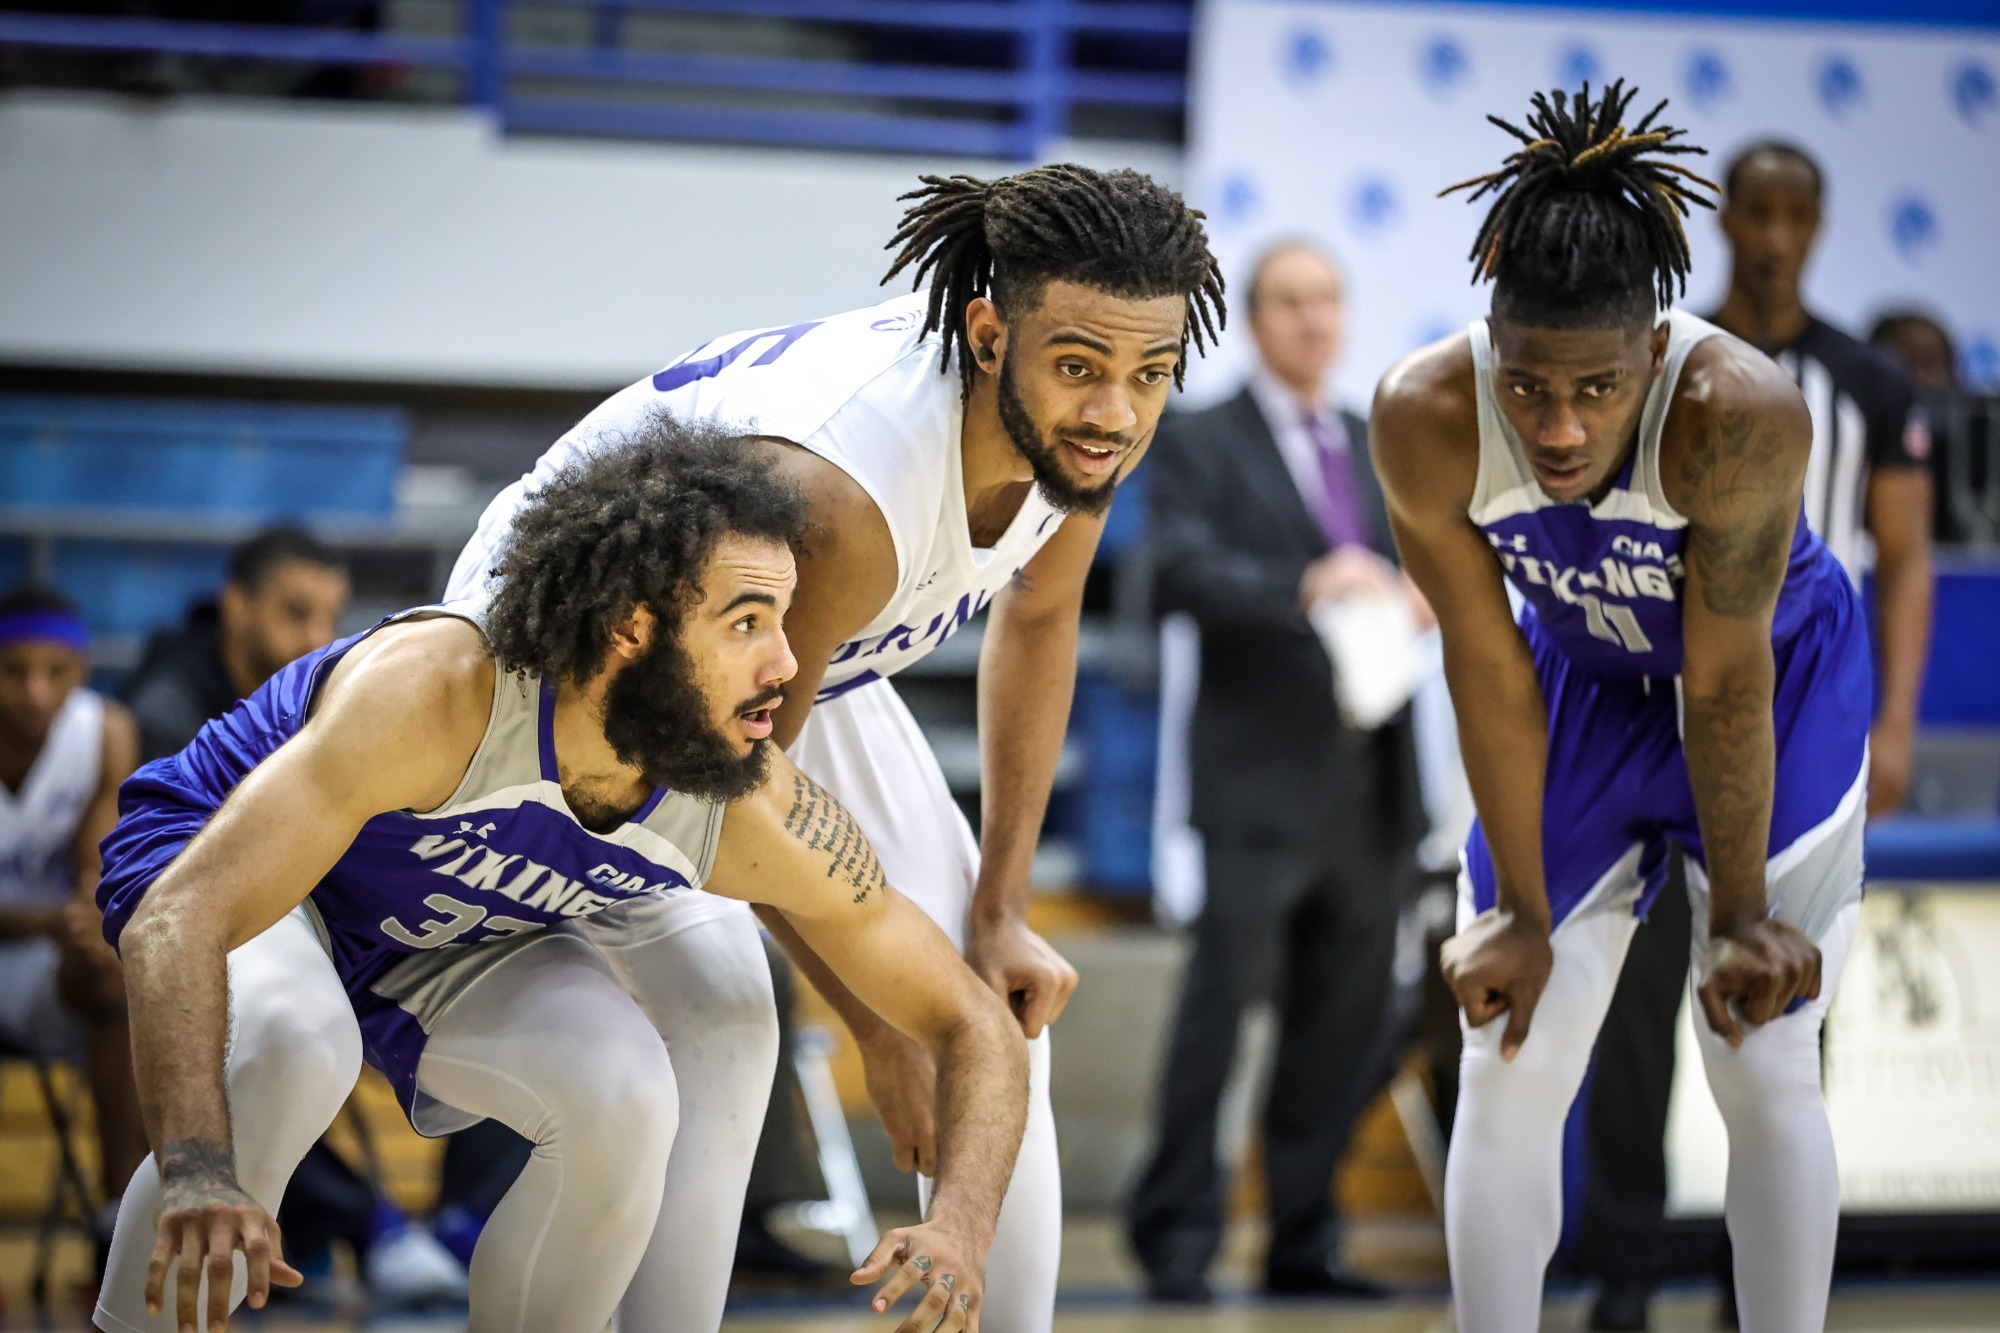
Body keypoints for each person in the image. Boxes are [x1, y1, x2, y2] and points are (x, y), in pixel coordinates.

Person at [446, 162, 1226, 1333]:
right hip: (595, 666)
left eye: (1149, 374)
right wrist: (871, 1026)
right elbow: (733, 791)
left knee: (995, 1009)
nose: (1115, 410)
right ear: (988, 336)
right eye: (1079, 367)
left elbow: (1040, 614)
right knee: (725, 1024)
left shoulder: (1089, 420)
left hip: (792, 661)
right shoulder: (844, 495)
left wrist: (1001, 906)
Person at [90, 418, 1028, 1333]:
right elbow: (180, 918)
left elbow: (975, 1021)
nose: (786, 661)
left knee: (625, 1092)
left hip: (432, 930)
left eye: (782, 619)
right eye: (747, 621)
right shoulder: (443, 689)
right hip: (226, 860)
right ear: (633, 629)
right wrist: (198, 1168)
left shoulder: (746, 802)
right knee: (299, 1042)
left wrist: (960, 1223)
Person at [1370, 82, 1869, 1333]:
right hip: (1583, 675)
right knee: (1509, 1042)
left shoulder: (1737, 411)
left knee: (1759, 1050)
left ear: (1653, 350)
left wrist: (1740, 918)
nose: (1556, 427)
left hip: (1771, 684)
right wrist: (1519, 914)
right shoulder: (1424, 414)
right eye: (1527, 387)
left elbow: (1725, 679)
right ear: (1489, 343)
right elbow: (1483, 661)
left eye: (1595, 389)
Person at [1577, 141, 1939, 1331]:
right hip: (1655, 720)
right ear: (1724, 219)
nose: (1775, 235)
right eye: (1758, 212)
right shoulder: (1658, 358)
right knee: (1634, 1019)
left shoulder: (1867, 384)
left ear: (1817, 226)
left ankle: (1756, 1300)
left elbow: (1903, 563)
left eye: (1797, 214)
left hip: (1795, 734)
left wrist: (1891, 723)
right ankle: (1622, 1282)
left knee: (1778, 1016)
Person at [1126, 239, 1425, 1301]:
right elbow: (1172, 572)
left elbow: (1424, 566)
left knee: (1340, 1024)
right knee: (1218, 1017)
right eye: (1290, 302)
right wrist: (1302, 585)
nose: (1312, 319)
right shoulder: (1201, 435)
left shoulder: (1376, 439)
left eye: (1327, 300)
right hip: (1257, 780)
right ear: (1254, 322)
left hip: (1370, 781)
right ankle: (1174, 1235)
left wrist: (1421, 594)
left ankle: (1304, 1238)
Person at [119, 524, 477, 1309]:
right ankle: (367, 1222)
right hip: (197, 930)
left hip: (323, 916)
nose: (316, 636)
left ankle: (466, 1219)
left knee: (512, 963)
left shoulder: (330, 691)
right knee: (282, 1043)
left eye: (327, 616)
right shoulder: (167, 706)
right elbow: (176, 888)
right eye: (294, 611)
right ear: (235, 606)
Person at [0, 585, 145, 1273]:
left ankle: (119, 1223)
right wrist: (48, 920)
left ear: (81, 672)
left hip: (40, 965)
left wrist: (84, 921)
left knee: (116, 976)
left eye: (54, 672)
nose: (35, 691)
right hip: (31, 937)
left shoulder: (104, 731)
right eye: (14, 670)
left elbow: (95, 875)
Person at [121, 526, 349, 764]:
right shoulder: (168, 712)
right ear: (236, 606)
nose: (319, 640)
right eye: (297, 613)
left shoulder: (314, 704)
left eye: (333, 620)